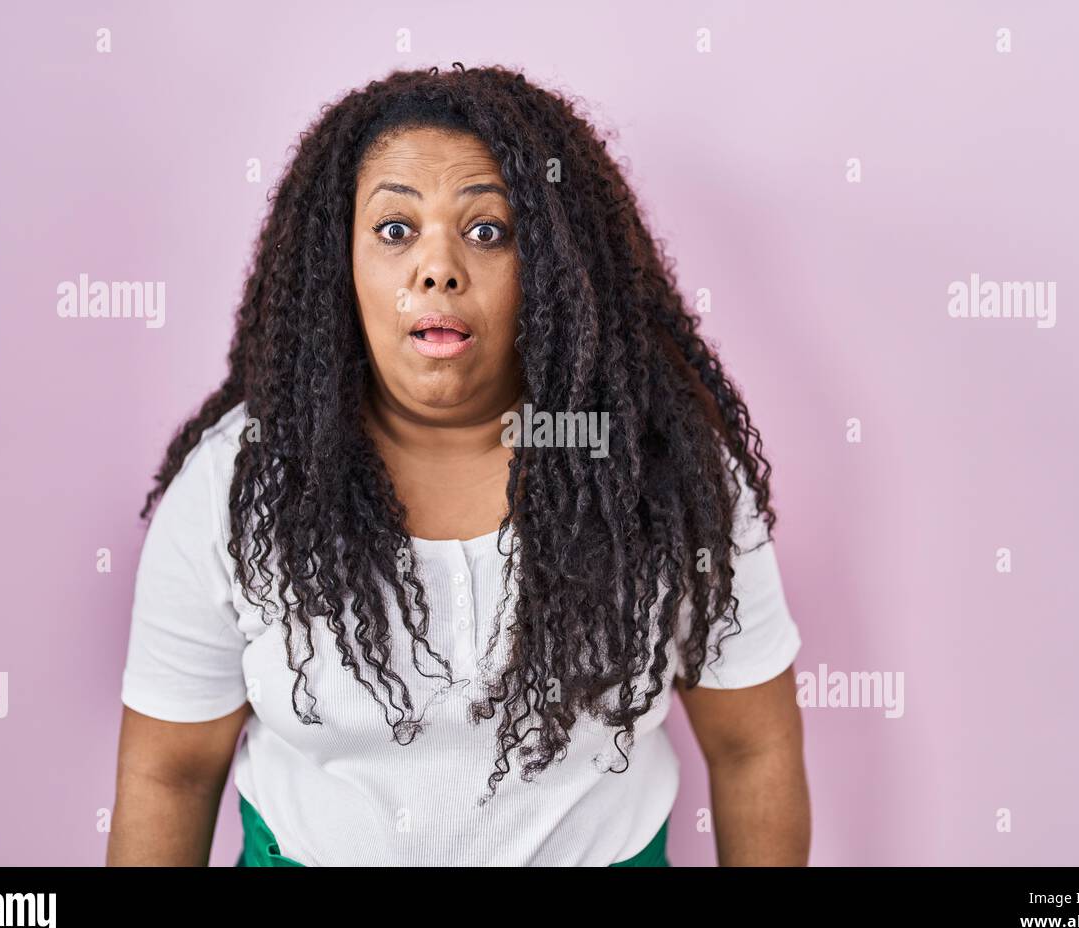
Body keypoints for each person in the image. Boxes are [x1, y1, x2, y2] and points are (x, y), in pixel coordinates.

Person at [107, 63, 809, 867]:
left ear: (551, 269)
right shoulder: (241, 483)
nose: (436, 269)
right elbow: (172, 773)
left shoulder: (655, 474)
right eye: (395, 230)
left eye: (487, 231)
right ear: (341, 268)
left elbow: (755, 747)